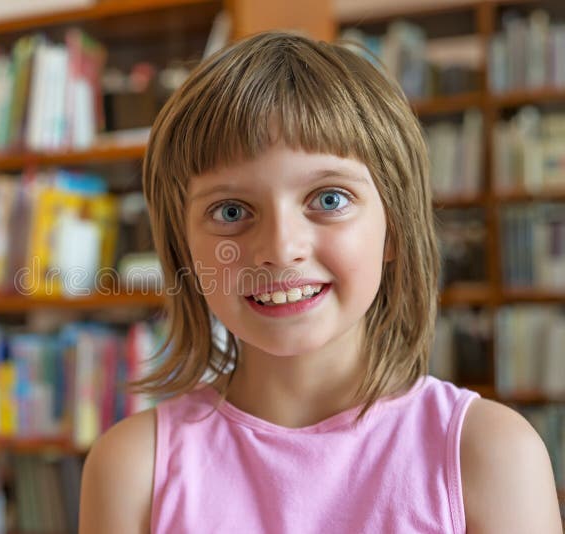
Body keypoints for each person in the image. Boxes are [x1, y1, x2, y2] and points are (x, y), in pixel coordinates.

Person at [79, 31, 563, 533]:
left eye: (329, 199)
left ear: (393, 226)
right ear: (183, 250)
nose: (280, 248)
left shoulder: (491, 457)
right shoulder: (132, 469)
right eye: (231, 210)